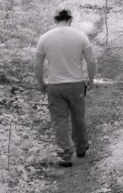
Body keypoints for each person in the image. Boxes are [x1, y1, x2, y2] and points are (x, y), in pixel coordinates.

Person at [35, 9, 96, 167]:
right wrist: (91, 79)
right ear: (70, 20)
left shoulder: (45, 38)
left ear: (56, 20)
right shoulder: (81, 36)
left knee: (59, 120)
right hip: (76, 84)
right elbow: (91, 61)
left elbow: (38, 64)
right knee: (78, 117)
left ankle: (65, 155)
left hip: (55, 85)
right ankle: (81, 148)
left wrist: (41, 82)